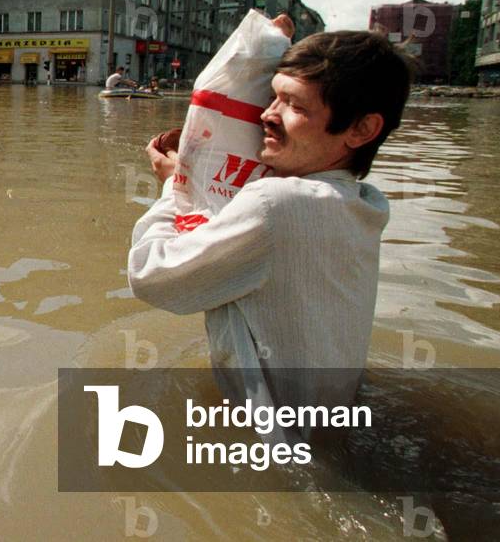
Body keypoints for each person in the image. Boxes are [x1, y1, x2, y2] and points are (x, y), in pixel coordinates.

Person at [127, 30, 414, 421]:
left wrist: (179, 185)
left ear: (361, 129)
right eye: (271, 96)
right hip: (334, 419)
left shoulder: (275, 206)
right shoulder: (362, 203)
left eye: (294, 106)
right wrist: (266, 41)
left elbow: (149, 274)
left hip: (275, 441)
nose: (266, 114)